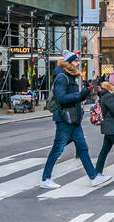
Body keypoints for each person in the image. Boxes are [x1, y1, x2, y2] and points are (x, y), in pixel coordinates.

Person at [39, 52, 108, 190]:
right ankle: (46, 179)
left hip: (73, 119)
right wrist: (80, 95)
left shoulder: (69, 76)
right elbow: (61, 98)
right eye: (76, 61)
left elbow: (73, 97)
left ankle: (94, 177)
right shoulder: (62, 77)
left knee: (82, 148)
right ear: (69, 63)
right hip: (65, 119)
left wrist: (85, 93)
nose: (78, 63)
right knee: (57, 149)